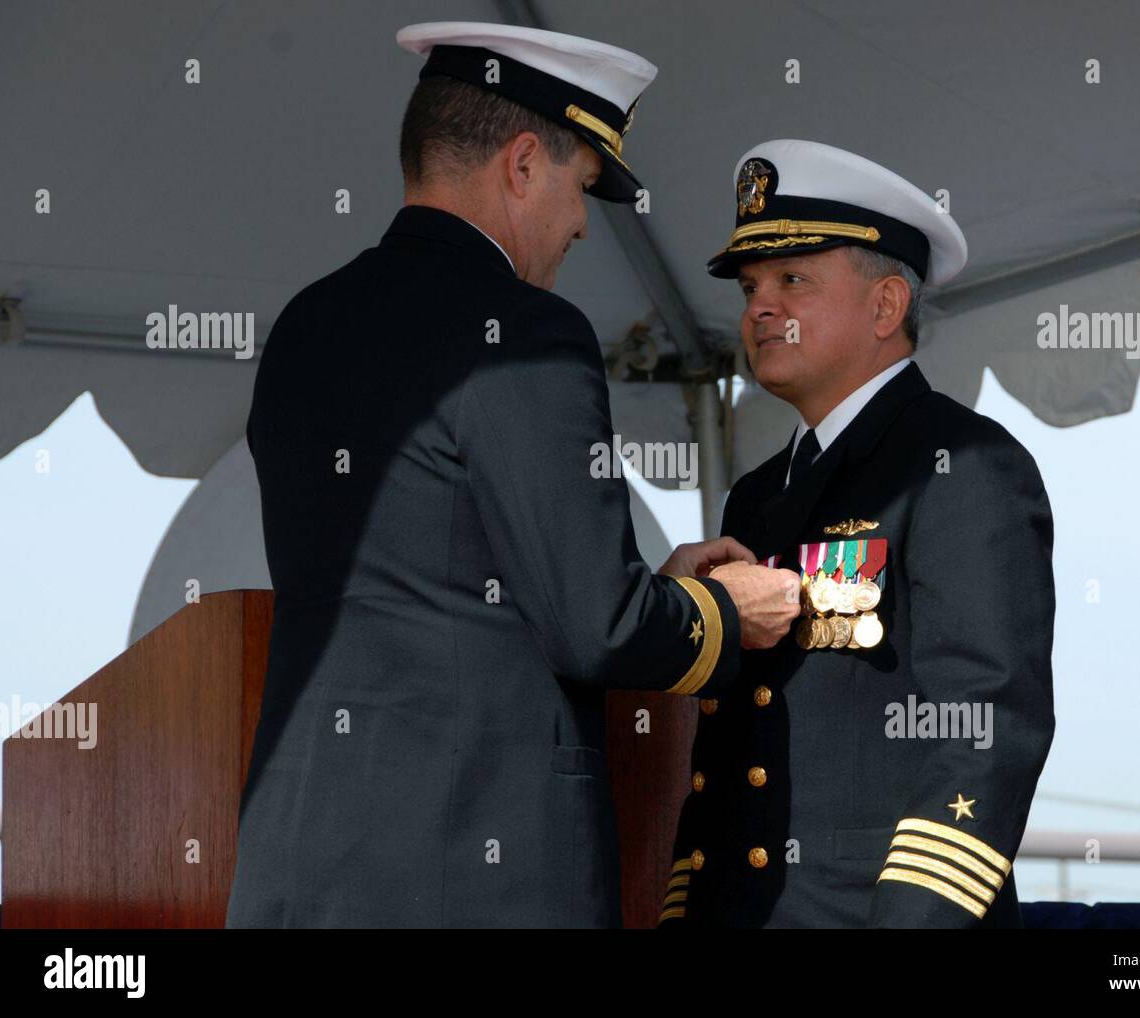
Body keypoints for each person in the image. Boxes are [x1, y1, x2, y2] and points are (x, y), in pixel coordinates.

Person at [225, 23, 799, 929]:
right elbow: (598, 629)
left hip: (304, 867)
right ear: (524, 164)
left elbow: (439, 579)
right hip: (475, 874)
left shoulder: (305, 324)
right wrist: (729, 610)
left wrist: (650, 592)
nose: (578, 223)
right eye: (580, 189)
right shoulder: (526, 333)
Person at [660, 139, 1056, 928]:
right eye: (750, 287)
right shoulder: (756, 498)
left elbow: (983, 722)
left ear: (885, 307)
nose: (758, 308)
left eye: (792, 280)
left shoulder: (961, 464)